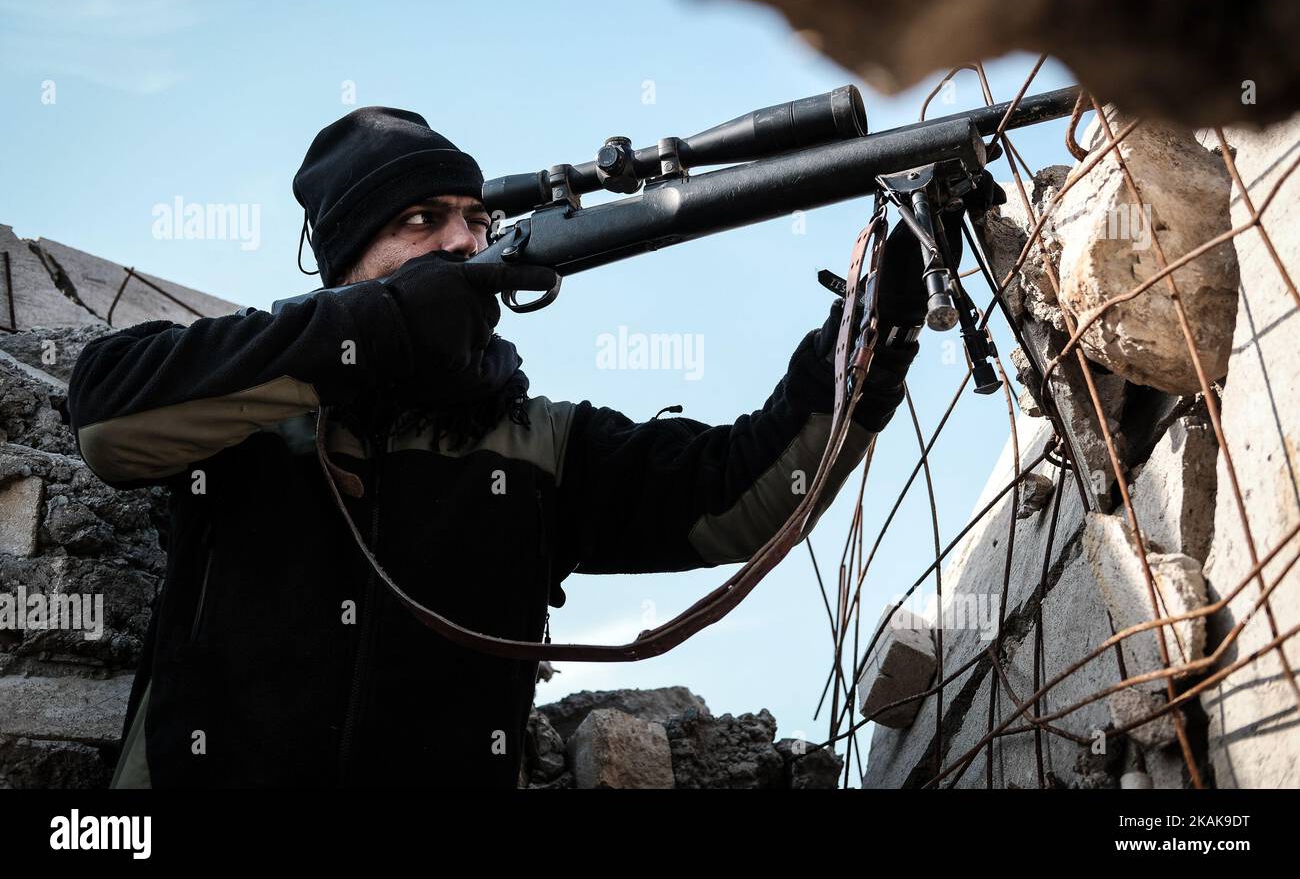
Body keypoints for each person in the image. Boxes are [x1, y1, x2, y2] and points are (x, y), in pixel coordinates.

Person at [67, 105, 928, 788]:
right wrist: (390, 327)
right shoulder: (250, 404)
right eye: (421, 219)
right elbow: (109, 420)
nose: (463, 242)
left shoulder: (540, 442)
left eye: (476, 220)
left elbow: (738, 498)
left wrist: (856, 356)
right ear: (347, 257)